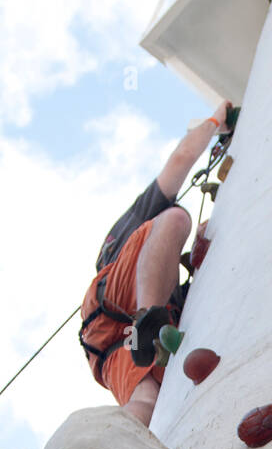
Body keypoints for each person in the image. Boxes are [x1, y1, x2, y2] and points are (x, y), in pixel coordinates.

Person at [78, 101, 231, 428]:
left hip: (119, 343)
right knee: (175, 220)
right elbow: (182, 158)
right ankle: (149, 319)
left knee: (149, 400)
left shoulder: (165, 284)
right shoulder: (137, 227)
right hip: (122, 302)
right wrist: (216, 120)